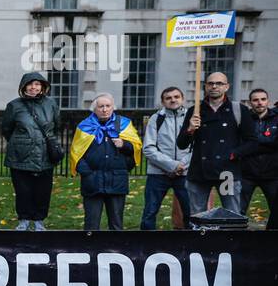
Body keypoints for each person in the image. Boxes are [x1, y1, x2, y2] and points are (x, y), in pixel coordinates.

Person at [71, 93, 142, 231]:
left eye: (108, 106)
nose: (104, 109)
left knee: (116, 223)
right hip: (92, 182)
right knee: (91, 224)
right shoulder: (84, 126)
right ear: (94, 109)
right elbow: (76, 153)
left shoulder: (124, 124)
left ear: (113, 107)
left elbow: (136, 148)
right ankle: (90, 250)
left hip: (117, 180)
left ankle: (116, 250)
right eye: (101, 106)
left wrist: (124, 145)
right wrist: (87, 173)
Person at [177, 71, 243, 215]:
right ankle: (198, 238)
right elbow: (181, 144)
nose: (214, 86)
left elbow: (252, 141)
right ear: (205, 87)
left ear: (227, 87)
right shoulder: (195, 110)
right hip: (199, 171)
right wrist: (189, 129)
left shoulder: (238, 109)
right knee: (197, 215)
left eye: (219, 83)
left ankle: (231, 238)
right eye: (210, 83)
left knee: (232, 214)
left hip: (227, 172)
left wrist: (234, 154)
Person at [2, 71, 61, 230]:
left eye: (37, 84)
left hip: (45, 154)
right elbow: (7, 129)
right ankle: (24, 219)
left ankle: (39, 220)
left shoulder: (51, 104)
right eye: (30, 84)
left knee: (43, 191)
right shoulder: (14, 105)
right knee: (23, 190)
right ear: (24, 86)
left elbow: (56, 126)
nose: (34, 87)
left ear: (42, 87)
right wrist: (22, 143)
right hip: (20, 156)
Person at [139, 86, 192, 230]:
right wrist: (172, 165)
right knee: (150, 212)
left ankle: (191, 245)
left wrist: (182, 165)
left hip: (185, 173)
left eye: (176, 97)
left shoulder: (191, 118)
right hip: (158, 173)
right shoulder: (156, 119)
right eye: (168, 98)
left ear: (182, 99)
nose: (173, 100)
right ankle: (145, 246)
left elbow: (197, 148)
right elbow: (148, 148)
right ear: (163, 102)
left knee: (190, 212)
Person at [234, 87, 278, 229]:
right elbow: (240, 143)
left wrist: (252, 144)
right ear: (250, 102)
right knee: (238, 210)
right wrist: (267, 144)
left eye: (263, 99)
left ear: (268, 101)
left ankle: (271, 239)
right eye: (256, 100)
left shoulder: (276, 119)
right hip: (247, 173)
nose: (260, 103)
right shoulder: (244, 119)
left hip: (272, 173)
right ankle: (236, 239)